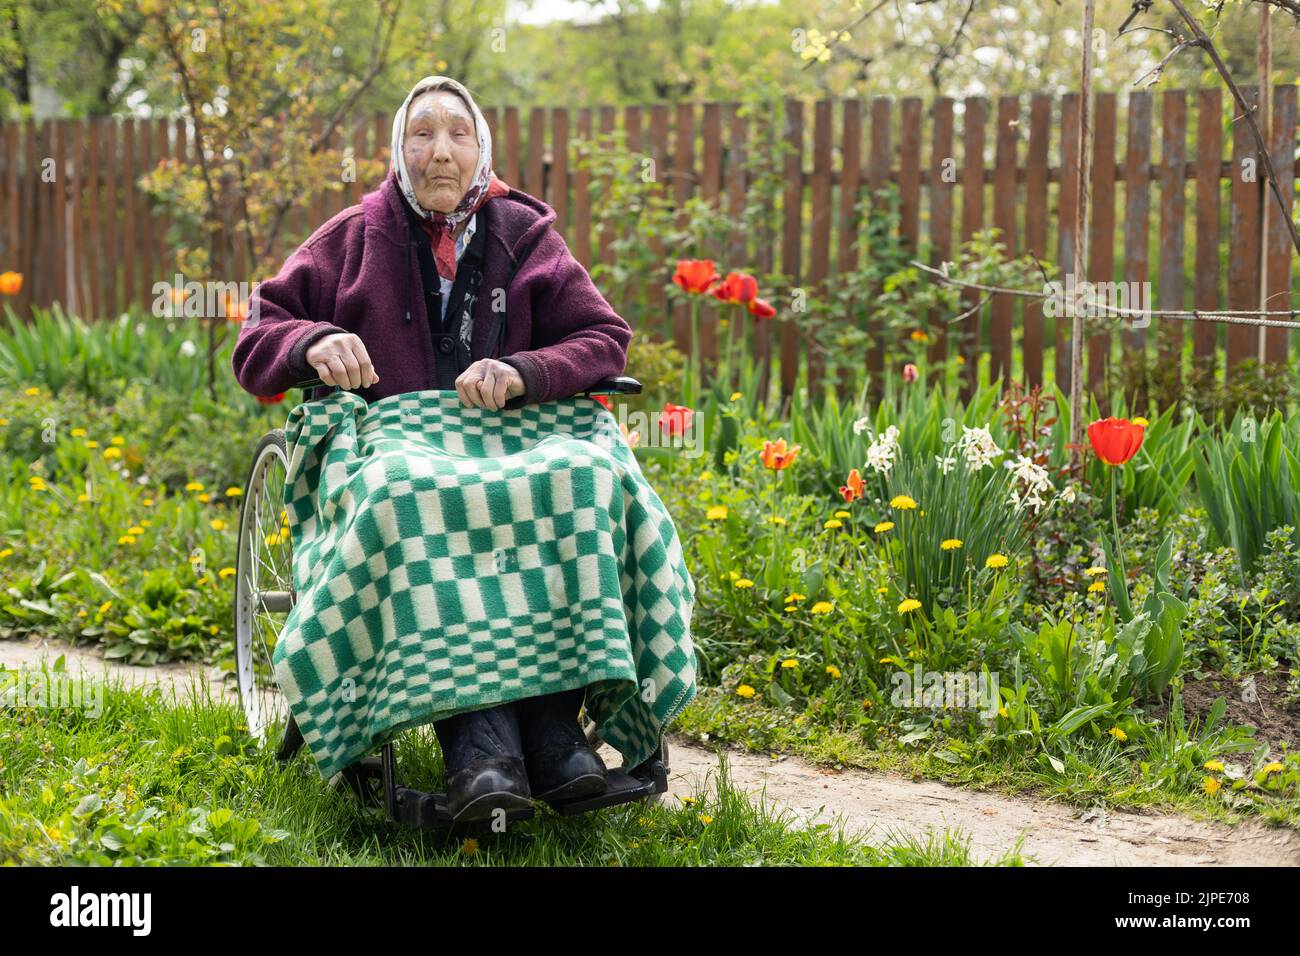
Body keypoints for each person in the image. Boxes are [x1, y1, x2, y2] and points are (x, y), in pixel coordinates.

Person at [231, 75, 633, 820]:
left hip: (508, 444)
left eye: (457, 134)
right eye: (422, 134)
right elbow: (258, 333)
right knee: (416, 492)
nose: (440, 151)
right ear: (398, 148)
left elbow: (604, 337)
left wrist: (525, 371)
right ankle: (481, 749)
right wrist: (313, 341)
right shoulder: (353, 237)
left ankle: (553, 736)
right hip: (396, 445)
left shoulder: (525, 235)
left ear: (481, 149)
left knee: (580, 474)